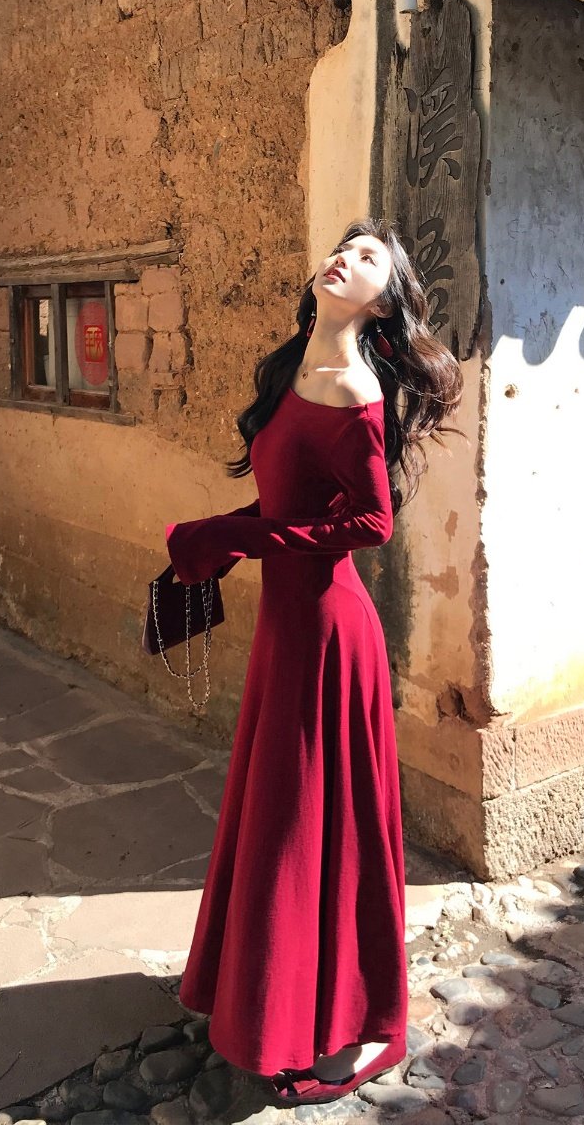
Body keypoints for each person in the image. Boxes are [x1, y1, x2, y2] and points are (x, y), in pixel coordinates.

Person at [163, 217, 464, 1106]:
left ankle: (348, 1021)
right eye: (344, 246)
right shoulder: (294, 363)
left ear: (384, 302)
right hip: (288, 625)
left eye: (369, 257)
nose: (344, 257)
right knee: (278, 813)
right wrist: (224, 537)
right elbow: (291, 497)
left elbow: (371, 522)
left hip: (331, 634)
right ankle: (268, 999)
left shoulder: (356, 386)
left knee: (317, 825)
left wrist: (238, 537)